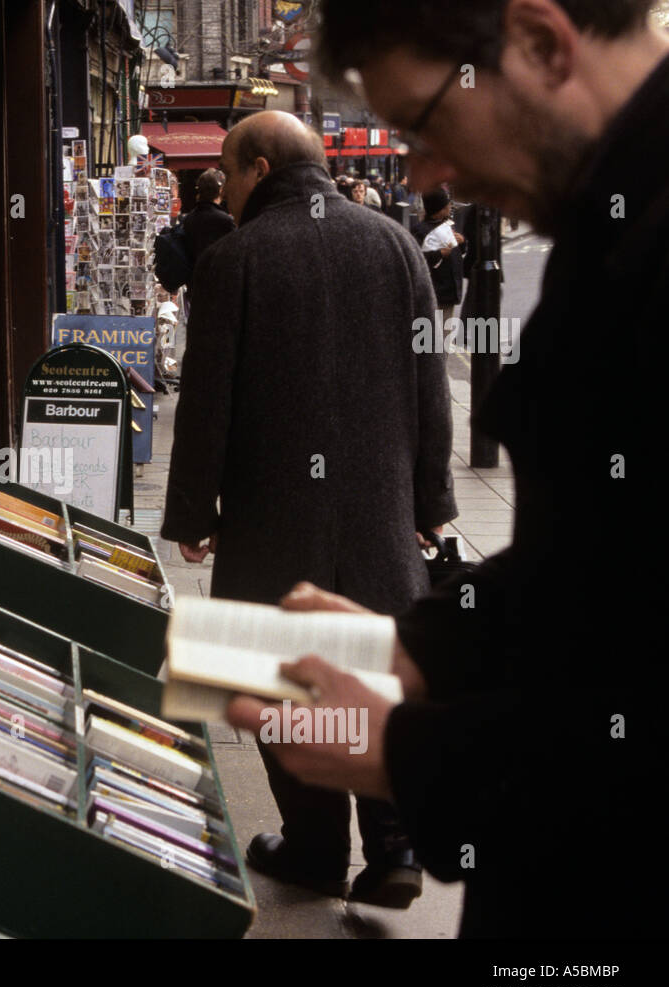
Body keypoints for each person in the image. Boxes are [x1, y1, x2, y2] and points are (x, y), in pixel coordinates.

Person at [227, 0, 666, 939]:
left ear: (543, 43)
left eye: (425, 125)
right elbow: (597, 563)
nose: (424, 173)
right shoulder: (609, 218)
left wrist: (401, 748)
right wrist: (419, 647)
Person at [161, 110, 458, 908]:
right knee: (371, 656)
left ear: (259, 167)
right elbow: (430, 386)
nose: (223, 182)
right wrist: (432, 500)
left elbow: (206, 403)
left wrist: (192, 512)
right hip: (381, 509)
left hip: (271, 515)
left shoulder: (235, 260)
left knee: (274, 666)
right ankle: (392, 840)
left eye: (227, 169)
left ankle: (316, 843)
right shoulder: (395, 245)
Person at [412, 186, 467, 323]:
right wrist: (439, 254)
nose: (450, 207)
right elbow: (416, 260)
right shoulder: (420, 231)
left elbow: (460, 252)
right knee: (435, 337)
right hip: (435, 293)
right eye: (448, 205)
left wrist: (462, 242)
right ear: (439, 209)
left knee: (446, 335)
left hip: (449, 292)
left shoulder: (448, 224)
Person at [181, 168, 236, 267]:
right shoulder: (225, 220)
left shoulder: (189, 218)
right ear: (221, 190)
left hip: (194, 277)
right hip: (218, 276)